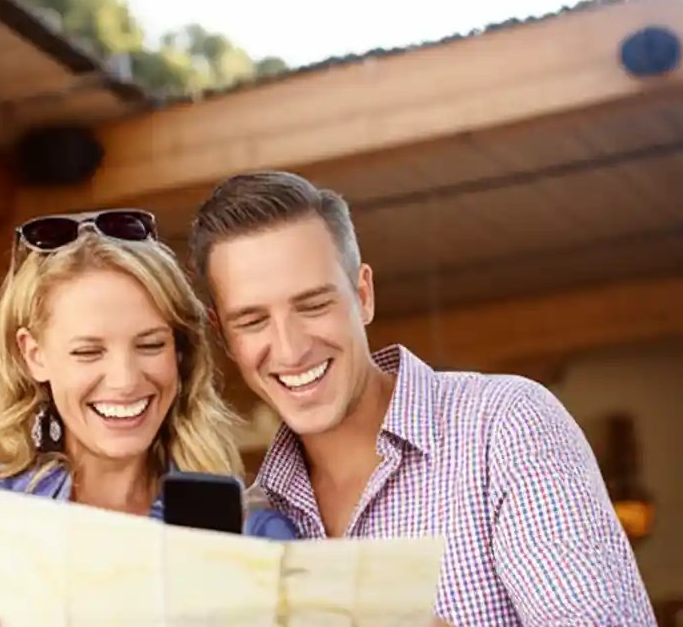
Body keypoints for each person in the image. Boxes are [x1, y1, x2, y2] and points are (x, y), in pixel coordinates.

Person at [188, 170, 654, 626]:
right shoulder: (253, 522)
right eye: (252, 321)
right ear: (224, 336)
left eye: (313, 305)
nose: (290, 349)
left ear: (363, 294)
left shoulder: (506, 425)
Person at [0, 209, 297, 627]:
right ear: (34, 355)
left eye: (150, 345)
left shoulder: (254, 537)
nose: (126, 380)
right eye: (88, 352)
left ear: (179, 352)